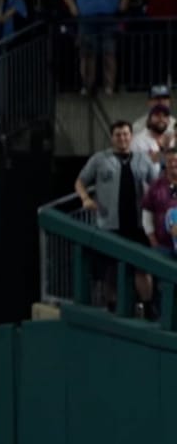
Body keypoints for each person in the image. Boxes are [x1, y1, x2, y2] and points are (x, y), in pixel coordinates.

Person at [75, 121, 160, 315]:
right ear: (112, 137)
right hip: (109, 224)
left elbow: (155, 185)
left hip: (137, 224)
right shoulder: (99, 159)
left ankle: (147, 305)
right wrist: (86, 198)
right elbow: (80, 181)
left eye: (126, 134)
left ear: (131, 136)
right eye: (118, 135)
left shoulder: (142, 159)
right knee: (110, 269)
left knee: (142, 267)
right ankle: (112, 305)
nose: (122, 138)